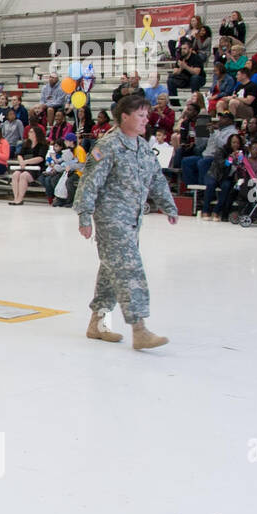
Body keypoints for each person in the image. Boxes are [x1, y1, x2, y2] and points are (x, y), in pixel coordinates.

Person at [74, 93, 178, 349]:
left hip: (133, 220)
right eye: (140, 115)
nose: (146, 119)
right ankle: (139, 328)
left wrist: (168, 205)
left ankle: (97, 324)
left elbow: (156, 179)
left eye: (146, 115)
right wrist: (84, 215)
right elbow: (90, 182)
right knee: (130, 269)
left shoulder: (142, 147)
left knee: (111, 270)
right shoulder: (107, 146)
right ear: (124, 117)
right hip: (111, 220)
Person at [9, 125, 48, 205]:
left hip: (36, 168)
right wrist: (21, 162)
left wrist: (26, 161)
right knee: (15, 174)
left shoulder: (42, 145)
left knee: (24, 176)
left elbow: (40, 158)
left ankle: (20, 198)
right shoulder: (26, 144)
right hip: (25, 166)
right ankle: (16, 197)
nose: (29, 133)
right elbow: (20, 155)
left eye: (31, 132)